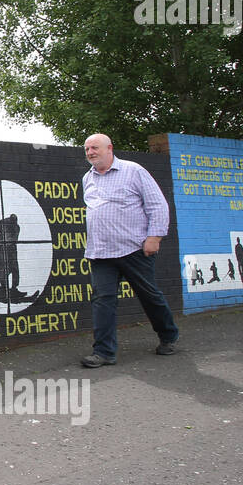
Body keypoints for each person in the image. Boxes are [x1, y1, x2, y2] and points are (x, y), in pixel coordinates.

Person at [79, 133, 179, 367]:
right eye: (87, 149)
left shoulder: (133, 171)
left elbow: (157, 204)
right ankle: (104, 352)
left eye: (95, 147)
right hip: (101, 252)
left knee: (149, 295)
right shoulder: (87, 178)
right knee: (102, 300)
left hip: (133, 249)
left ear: (109, 148)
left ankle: (168, 336)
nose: (90, 152)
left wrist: (154, 237)